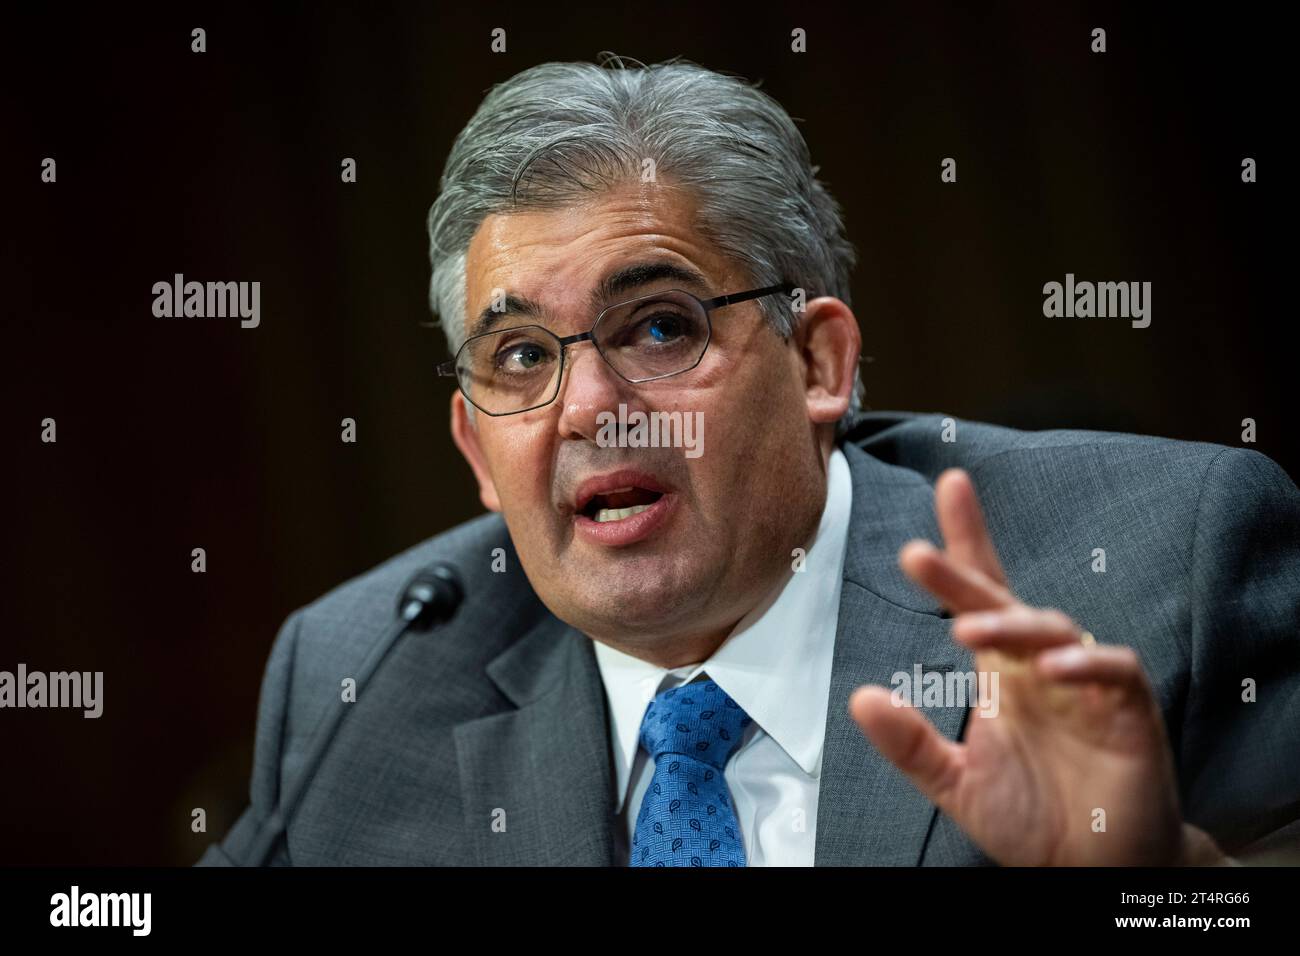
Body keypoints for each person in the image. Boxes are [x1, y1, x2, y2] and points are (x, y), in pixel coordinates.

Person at [198, 55, 1299, 867]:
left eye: (659, 327)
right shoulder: (367, 676)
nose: (590, 405)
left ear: (818, 359)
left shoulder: (1165, 565)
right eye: (522, 354)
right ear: (476, 452)